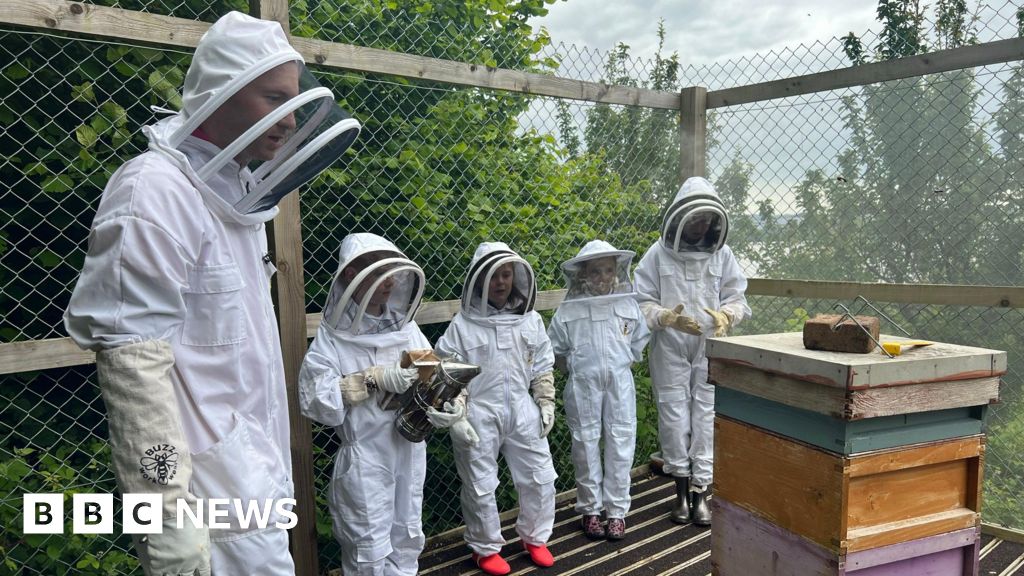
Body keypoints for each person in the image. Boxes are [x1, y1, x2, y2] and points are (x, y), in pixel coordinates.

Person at [63, 11, 359, 575]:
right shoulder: (155, 191)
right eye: (273, 98)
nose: (289, 120)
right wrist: (163, 515)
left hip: (253, 479)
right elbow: (132, 362)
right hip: (203, 499)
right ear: (221, 93)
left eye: (294, 101)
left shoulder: (234, 195)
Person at [298, 233, 466, 575]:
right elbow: (315, 401)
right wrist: (370, 380)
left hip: (410, 449)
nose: (389, 282)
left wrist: (453, 407)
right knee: (368, 550)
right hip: (366, 458)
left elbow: (433, 373)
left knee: (407, 538)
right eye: (378, 273)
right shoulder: (333, 338)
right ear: (352, 275)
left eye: (392, 274)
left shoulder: (406, 328)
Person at [634, 176, 751, 527]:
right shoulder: (657, 254)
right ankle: (680, 492)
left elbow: (738, 298)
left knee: (705, 414)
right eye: (695, 218)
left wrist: (727, 315)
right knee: (673, 414)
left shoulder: (722, 254)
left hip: (709, 344)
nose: (700, 225)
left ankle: (701, 493)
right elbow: (639, 302)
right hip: (670, 343)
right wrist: (666, 317)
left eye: (705, 219)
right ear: (680, 217)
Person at [435, 242, 558, 576]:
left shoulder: (531, 320)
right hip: (479, 412)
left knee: (539, 476)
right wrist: (457, 412)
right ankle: (485, 547)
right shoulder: (463, 325)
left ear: (516, 277)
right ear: (479, 281)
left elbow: (542, 365)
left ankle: (535, 537)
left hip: (522, 407)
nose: (501, 282)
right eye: (493, 276)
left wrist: (545, 400)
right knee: (480, 483)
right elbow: (449, 372)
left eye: (506, 274)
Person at [547, 240, 651, 540]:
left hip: (619, 384)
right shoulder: (569, 308)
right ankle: (590, 510)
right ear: (583, 275)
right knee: (585, 444)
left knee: (621, 441)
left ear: (617, 271)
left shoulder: (627, 305)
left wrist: (621, 364)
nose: (602, 277)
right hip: (583, 385)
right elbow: (555, 348)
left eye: (607, 270)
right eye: (595, 271)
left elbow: (638, 341)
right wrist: (576, 367)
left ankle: (616, 513)